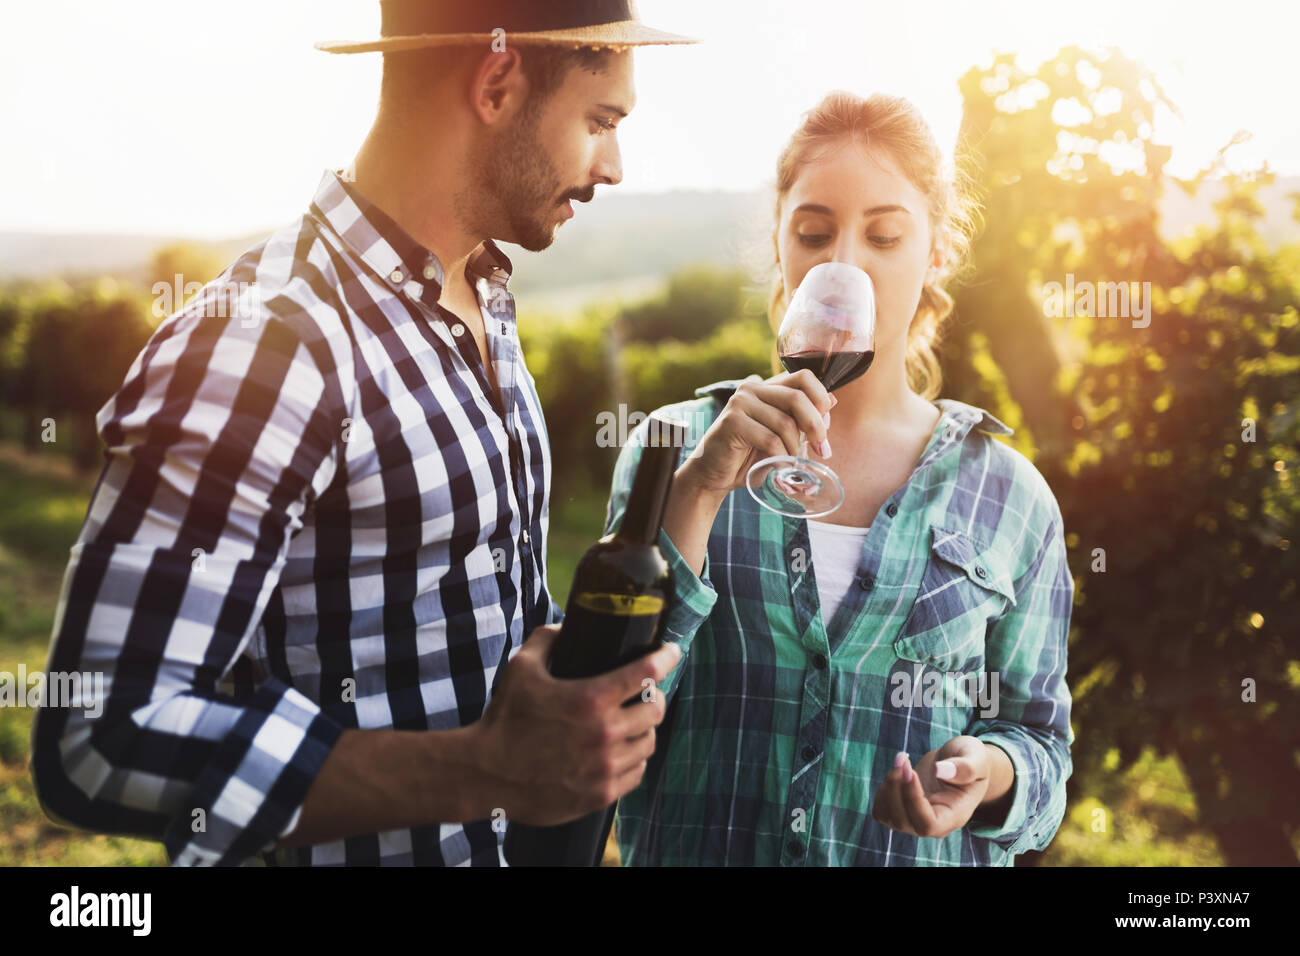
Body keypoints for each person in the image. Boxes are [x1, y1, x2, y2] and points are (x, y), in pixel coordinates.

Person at [30, 1, 699, 866]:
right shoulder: (272, 338)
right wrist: (485, 769)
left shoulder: (482, 298)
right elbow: (99, 739)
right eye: (600, 121)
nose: (612, 166)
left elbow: (479, 627)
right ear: (497, 82)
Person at [605, 91, 1075, 865]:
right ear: (781, 245)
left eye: (885, 235)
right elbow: (609, 703)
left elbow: (1040, 748)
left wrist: (985, 772)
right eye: (814, 233)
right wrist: (696, 494)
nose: (843, 265)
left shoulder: (1009, 495)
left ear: (936, 254)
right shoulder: (673, 449)